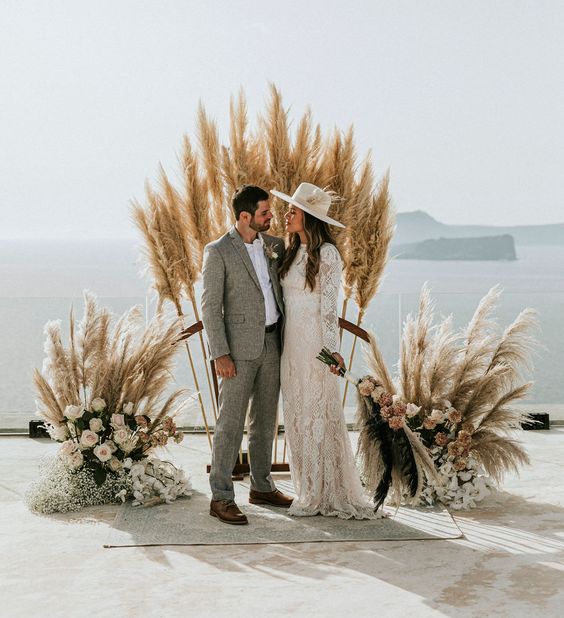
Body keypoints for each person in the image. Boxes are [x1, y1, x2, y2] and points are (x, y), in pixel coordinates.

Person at [271, 182, 379, 519]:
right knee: (297, 416)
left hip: (316, 344)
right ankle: (308, 488)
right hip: (291, 345)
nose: (286, 215)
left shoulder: (328, 254)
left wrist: (332, 350)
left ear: (308, 216)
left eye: (292, 210)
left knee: (319, 413)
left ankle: (327, 491)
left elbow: (329, 308)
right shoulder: (289, 252)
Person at [201, 185, 293, 525]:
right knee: (230, 423)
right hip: (237, 352)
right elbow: (210, 307)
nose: (271, 217)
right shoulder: (218, 251)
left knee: (266, 422)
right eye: (265, 213)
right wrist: (220, 353)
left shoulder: (275, 246)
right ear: (244, 217)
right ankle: (221, 496)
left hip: (273, 344)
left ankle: (262, 486)